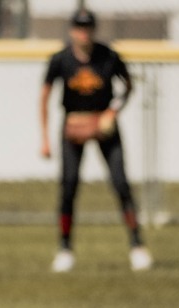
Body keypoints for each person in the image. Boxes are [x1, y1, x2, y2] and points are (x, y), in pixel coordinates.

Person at [38, 9, 150, 273]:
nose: (83, 33)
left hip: (103, 125)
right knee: (68, 186)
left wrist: (113, 111)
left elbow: (128, 86)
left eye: (87, 27)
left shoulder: (108, 56)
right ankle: (64, 248)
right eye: (79, 27)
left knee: (120, 183)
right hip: (74, 125)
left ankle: (137, 245)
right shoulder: (61, 59)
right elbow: (44, 96)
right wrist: (44, 138)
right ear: (71, 30)